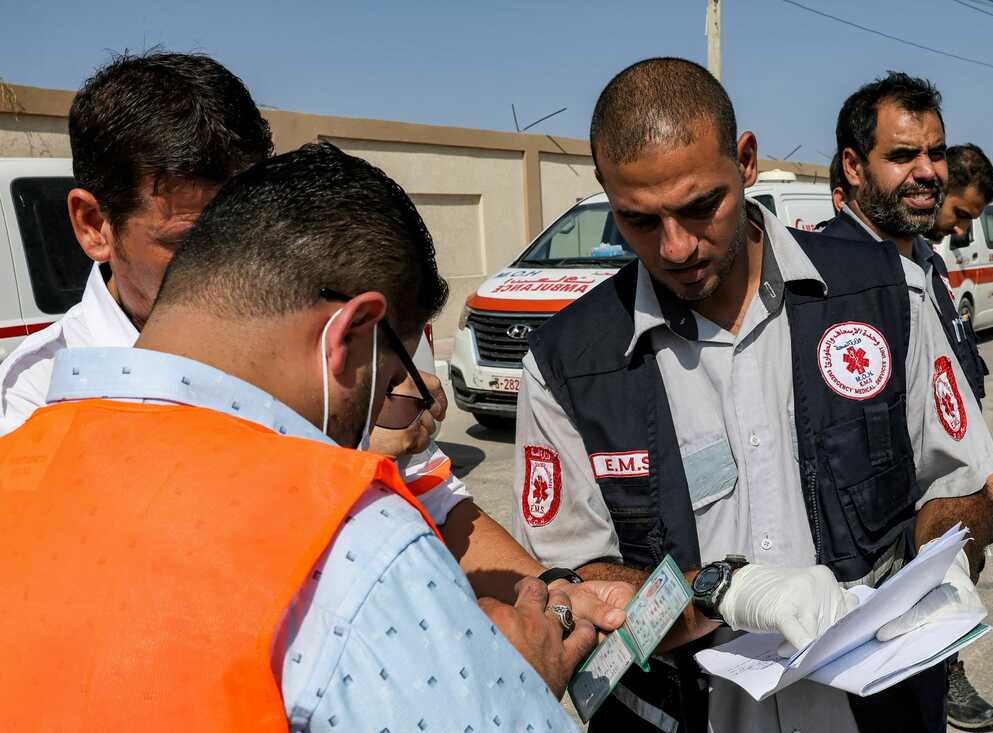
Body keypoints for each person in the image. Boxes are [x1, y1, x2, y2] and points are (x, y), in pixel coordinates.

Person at [0, 51, 631, 629]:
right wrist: (343, 467)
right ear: (94, 225)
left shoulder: (312, 331)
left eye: (249, 237)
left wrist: (549, 592)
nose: (230, 272)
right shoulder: (36, 400)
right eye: (188, 244)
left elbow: (438, 498)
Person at [0, 142, 594, 730]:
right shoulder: (352, 539)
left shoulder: (18, 457)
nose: (386, 407)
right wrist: (518, 684)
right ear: (350, 332)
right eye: (391, 378)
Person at [512, 57, 993, 733]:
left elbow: (962, 487)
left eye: (700, 207)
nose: (676, 247)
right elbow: (576, 598)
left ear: (745, 162)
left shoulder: (889, 293)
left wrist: (946, 557)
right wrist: (717, 593)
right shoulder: (568, 366)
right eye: (640, 221)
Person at [821, 76, 993, 730]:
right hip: (871, 594)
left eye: (935, 153)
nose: (926, 172)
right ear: (854, 166)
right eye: (902, 155)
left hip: (931, 568)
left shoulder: (921, 264)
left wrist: (975, 473)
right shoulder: (827, 284)